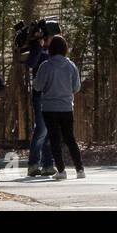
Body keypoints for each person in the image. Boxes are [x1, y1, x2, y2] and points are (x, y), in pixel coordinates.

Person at [34, 34, 85, 180]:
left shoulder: (45, 66)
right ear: (65, 49)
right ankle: (80, 169)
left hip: (49, 108)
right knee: (70, 138)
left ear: (50, 49)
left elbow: (37, 86)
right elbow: (76, 87)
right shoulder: (71, 66)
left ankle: (61, 171)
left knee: (54, 139)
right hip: (66, 107)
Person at [20, 24, 51, 177]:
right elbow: (31, 64)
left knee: (50, 130)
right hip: (40, 93)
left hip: (52, 94)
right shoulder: (38, 48)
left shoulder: (54, 51)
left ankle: (48, 164)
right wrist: (37, 47)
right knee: (41, 128)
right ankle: (33, 164)